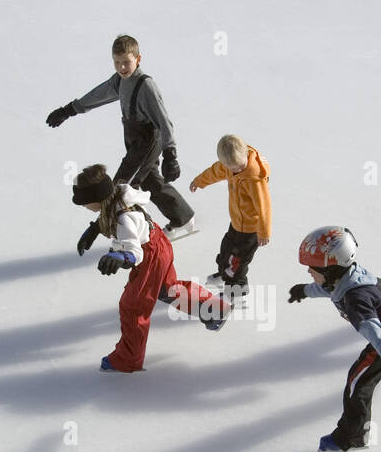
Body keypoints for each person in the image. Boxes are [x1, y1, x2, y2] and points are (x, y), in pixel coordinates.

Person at [72, 165, 226, 373]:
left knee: (133, 306)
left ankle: (128, 359)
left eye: (84, 201)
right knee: (167, 289)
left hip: (149, 255)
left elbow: (135, 252)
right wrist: (94, 229)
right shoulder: (118, 195)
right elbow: (112, 212)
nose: (83, 206)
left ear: (97, 198)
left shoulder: (124, 219)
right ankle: (213, 309)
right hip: (159, 245)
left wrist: (119, 257)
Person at [287, 226, 381, 452]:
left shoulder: (356, 299)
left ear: (332, 269)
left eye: (313, 268)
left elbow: (375, 330)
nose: (309, 272)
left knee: (357, 383)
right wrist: (304, 290)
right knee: (374, 366)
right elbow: (329, 290)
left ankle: (353, 437)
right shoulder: (344, 278)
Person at [48, 35, 197, 241]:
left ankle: (134, 233)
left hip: (147, 141)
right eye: (117, 62)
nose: (122, 67)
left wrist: (170, 154)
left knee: (122, 186)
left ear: (138, 59)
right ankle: (183, 218)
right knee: (151, 181)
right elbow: (99, 94)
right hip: (133, 138)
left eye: (126, 62)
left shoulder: (145, 86)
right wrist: (70, 110)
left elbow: (164, 122)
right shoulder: (120, 80)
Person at [188, 134, 272, 301]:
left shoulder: (254, 179)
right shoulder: (229, 166)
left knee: (238, 261)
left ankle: (237, 290)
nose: (236, 171)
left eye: (239, 167)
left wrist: (264, 232)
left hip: (251, 229)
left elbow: (264, 206)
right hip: (237, 222)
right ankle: (224, 273)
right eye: (231, 168)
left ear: (245, 155)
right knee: (226, 248)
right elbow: (214, 172)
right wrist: (199, 181)